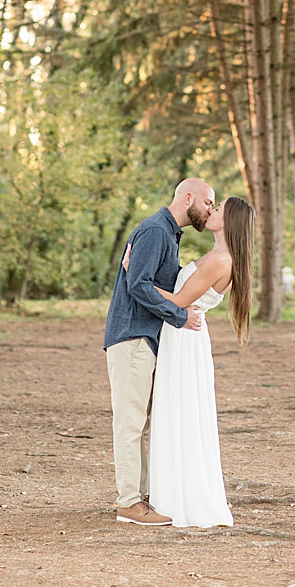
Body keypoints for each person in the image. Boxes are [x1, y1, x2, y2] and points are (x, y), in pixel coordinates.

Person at [135, 195, 256, 528]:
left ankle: (180, 499)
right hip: (181, 334)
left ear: (229, 220)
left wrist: (138, 277)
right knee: (175, 412)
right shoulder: (216, 255)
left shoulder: (221, 260)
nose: (212, 211)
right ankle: (169, 494)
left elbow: (178, 300)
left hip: (184, 339)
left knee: (181, 412)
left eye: (219, 208)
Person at [103, 178, 213, 526]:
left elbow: (148, 280)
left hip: (144, 338)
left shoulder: (166, 234)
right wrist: (180, 317)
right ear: (189, 197)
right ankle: (129, 503)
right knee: (130, 422)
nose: (210, 209)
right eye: (209, 202)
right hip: (133, 336)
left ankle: (139, 496)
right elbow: (138, 285)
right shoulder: (155, 231)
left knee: (142, 421)